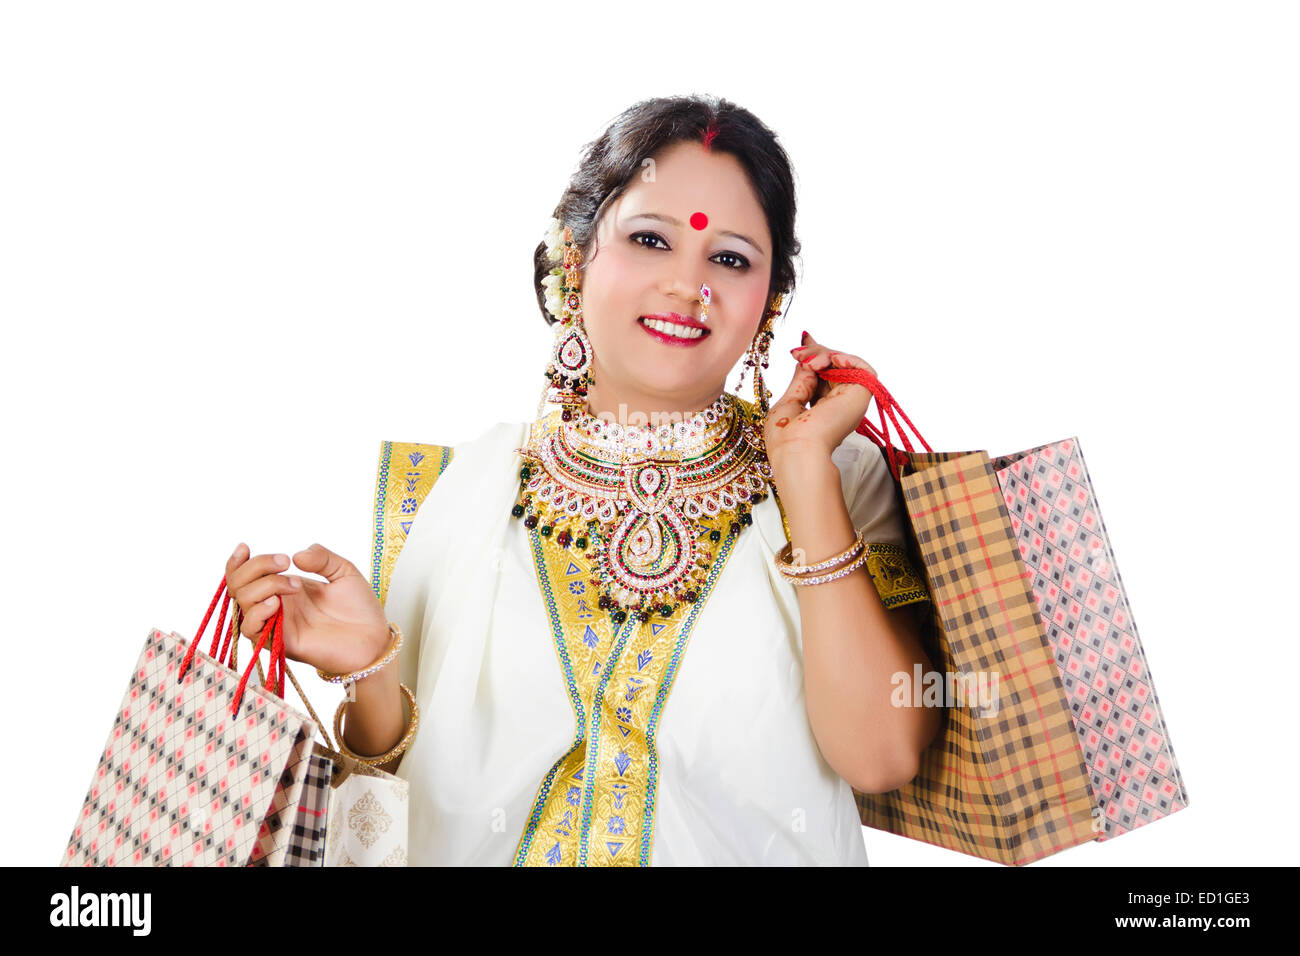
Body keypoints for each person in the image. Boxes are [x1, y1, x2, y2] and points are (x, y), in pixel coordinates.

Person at [224, 94, 940, 866]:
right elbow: (379, 836)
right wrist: (369, 670)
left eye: (730, 258)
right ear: (574, 254)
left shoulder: (840, 481)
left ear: (768, 302)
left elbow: (882, 758)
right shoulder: (456, 493)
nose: (687, 285)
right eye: (649, 240)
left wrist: (802, 476)